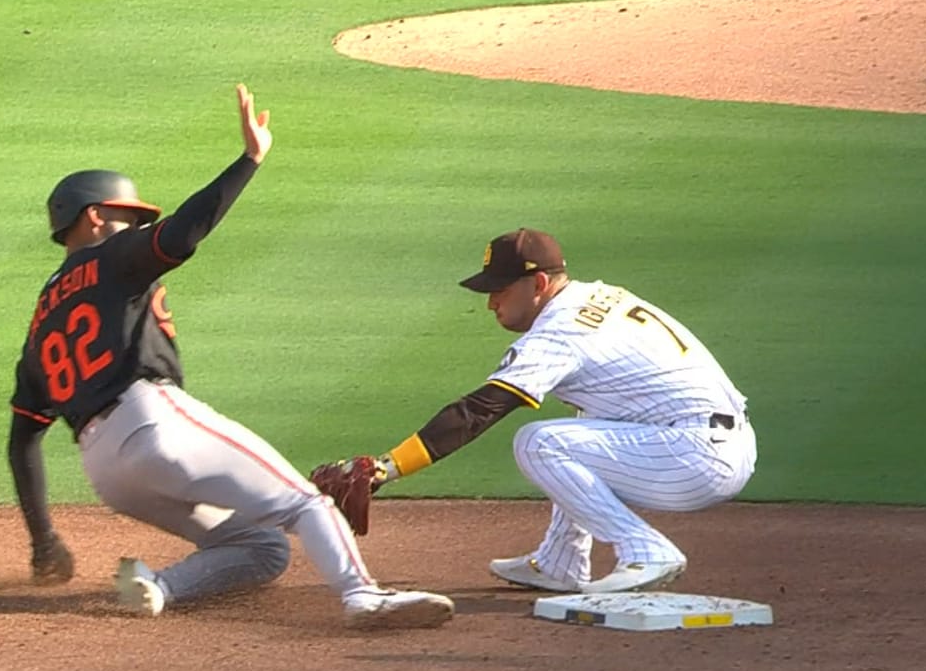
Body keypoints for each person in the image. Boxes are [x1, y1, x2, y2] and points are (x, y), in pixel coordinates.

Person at [5, 84, 453, 630]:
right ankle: (363, 597)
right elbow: (184, 233)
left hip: (107, 472)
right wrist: (249, 160)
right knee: (306, 503)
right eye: (128, 216)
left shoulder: (40, 321)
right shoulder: (113, 256)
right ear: (95, 217)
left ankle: (158, 585)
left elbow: (24, 436)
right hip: (153, 424)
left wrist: (44, 539)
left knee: (264, 548)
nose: (138, 227)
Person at [322, 228, 756, 594]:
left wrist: (384, 468)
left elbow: (480, 410)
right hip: (707, 440)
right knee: (579, 429)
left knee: (539, 443)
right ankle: (561, 560)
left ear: (540, 286)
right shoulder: (596, 297)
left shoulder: (561, 330)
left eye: (500, 290)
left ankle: (645, 550)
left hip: (694, 456)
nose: (491, 303)